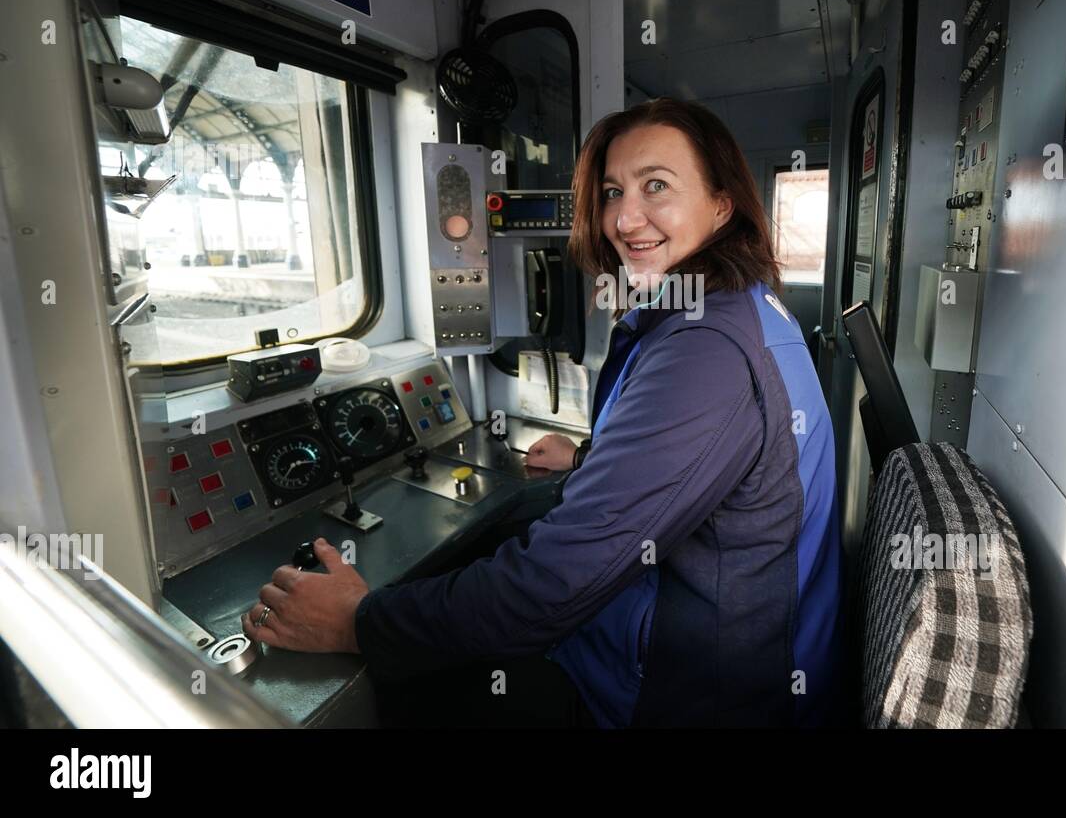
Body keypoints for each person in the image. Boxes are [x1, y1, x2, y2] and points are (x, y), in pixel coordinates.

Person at [243, 98, 842, 727]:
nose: (624, 218)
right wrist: (589, 460)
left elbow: (555, 583)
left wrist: (359, 623)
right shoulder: (740, 307)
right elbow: (709, 463)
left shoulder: (707, 350)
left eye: (656, 186)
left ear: (723, 203)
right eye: (612, 192)